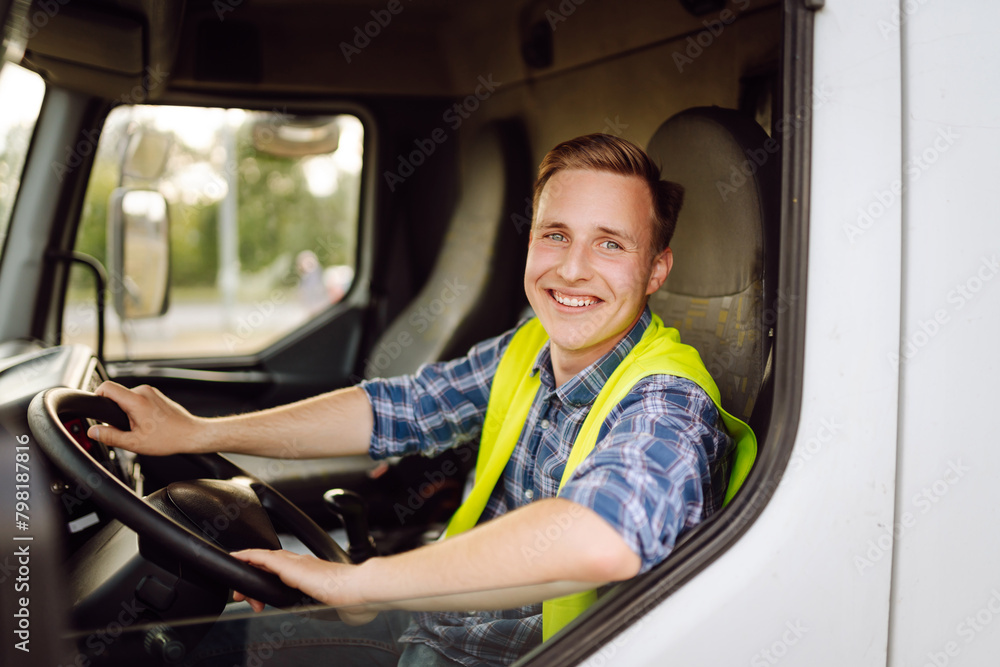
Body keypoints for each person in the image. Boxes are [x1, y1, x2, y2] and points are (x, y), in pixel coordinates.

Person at [89, 134, 744, 666]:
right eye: (555, 234)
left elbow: (603, 536)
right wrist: (197, 433)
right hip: (437, 628)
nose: (571, 268)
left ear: (657, 269)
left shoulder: (668, 405)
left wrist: (360, 584)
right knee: (180, 647)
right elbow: (396, 408)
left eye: (610, 243)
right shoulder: (529, 346)